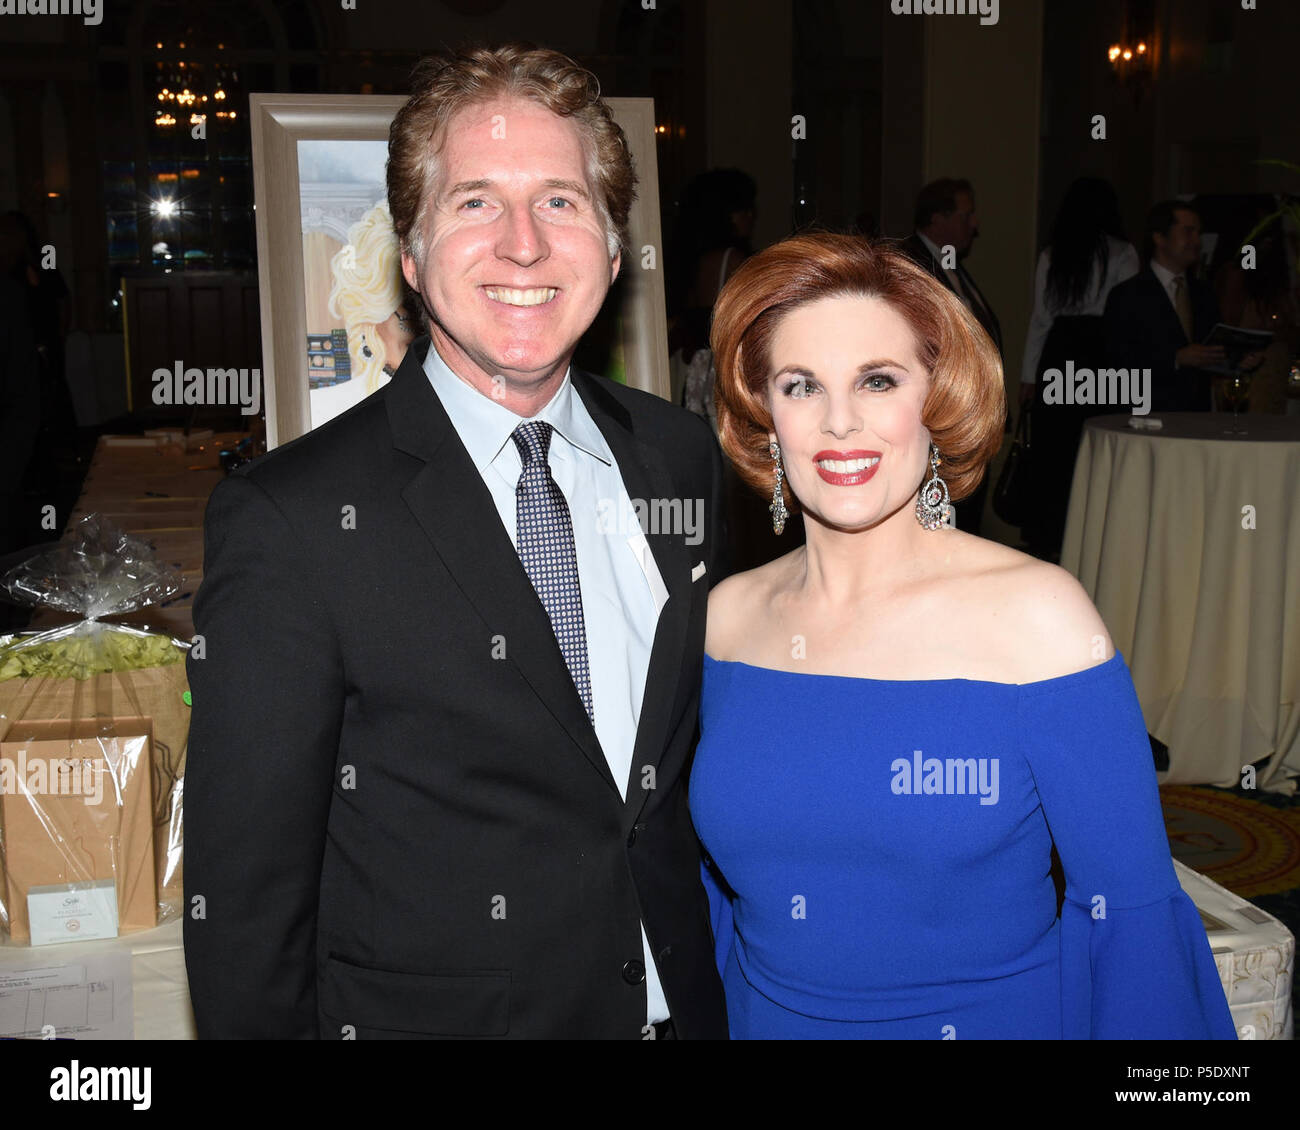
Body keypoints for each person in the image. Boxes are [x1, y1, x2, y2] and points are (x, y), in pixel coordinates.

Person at [184, 44, 728, 1040]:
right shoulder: (293, 520)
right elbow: (246, 910)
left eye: (562, 202)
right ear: (408, 251)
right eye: (476, 201)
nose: (524, 244)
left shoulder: (677, 457)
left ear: (612, 251)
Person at [692, 232, 1237, 1039]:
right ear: (766, 414)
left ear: (936, 399)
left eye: (878, 380)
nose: (840, 421)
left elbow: (1129, 918)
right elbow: (712, 901)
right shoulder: (726, 617)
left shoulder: (1039, 617)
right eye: (801, 385)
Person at [1019, 177, 1139, 561]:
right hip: (1103, 351)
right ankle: (1100, 540)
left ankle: (1052, 538)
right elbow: (1128, 317)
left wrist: (1028, 376)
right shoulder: (1123, 253)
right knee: (1100, 444)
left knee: (1056, 449)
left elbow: (1041, 318)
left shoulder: (1054, 254)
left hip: (1060, 349)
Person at [898, 178, 1001, 535]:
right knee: (938, 528)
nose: (974, 224)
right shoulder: (911, 263)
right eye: (966, 214)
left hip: (963, 421)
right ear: (937, 218)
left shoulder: (950, 264)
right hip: (937, 420)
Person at [1104, 200, 1249, 413]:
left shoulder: (1204, 293)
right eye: (1188, 232)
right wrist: (1175, 359)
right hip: (1147, 415)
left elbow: (1211, 350)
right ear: (1159, 237)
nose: (1197, 241)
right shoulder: (1127, 295)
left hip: (1197, 416)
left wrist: (1237, 359)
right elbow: (1116, 362)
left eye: (1198, 233)